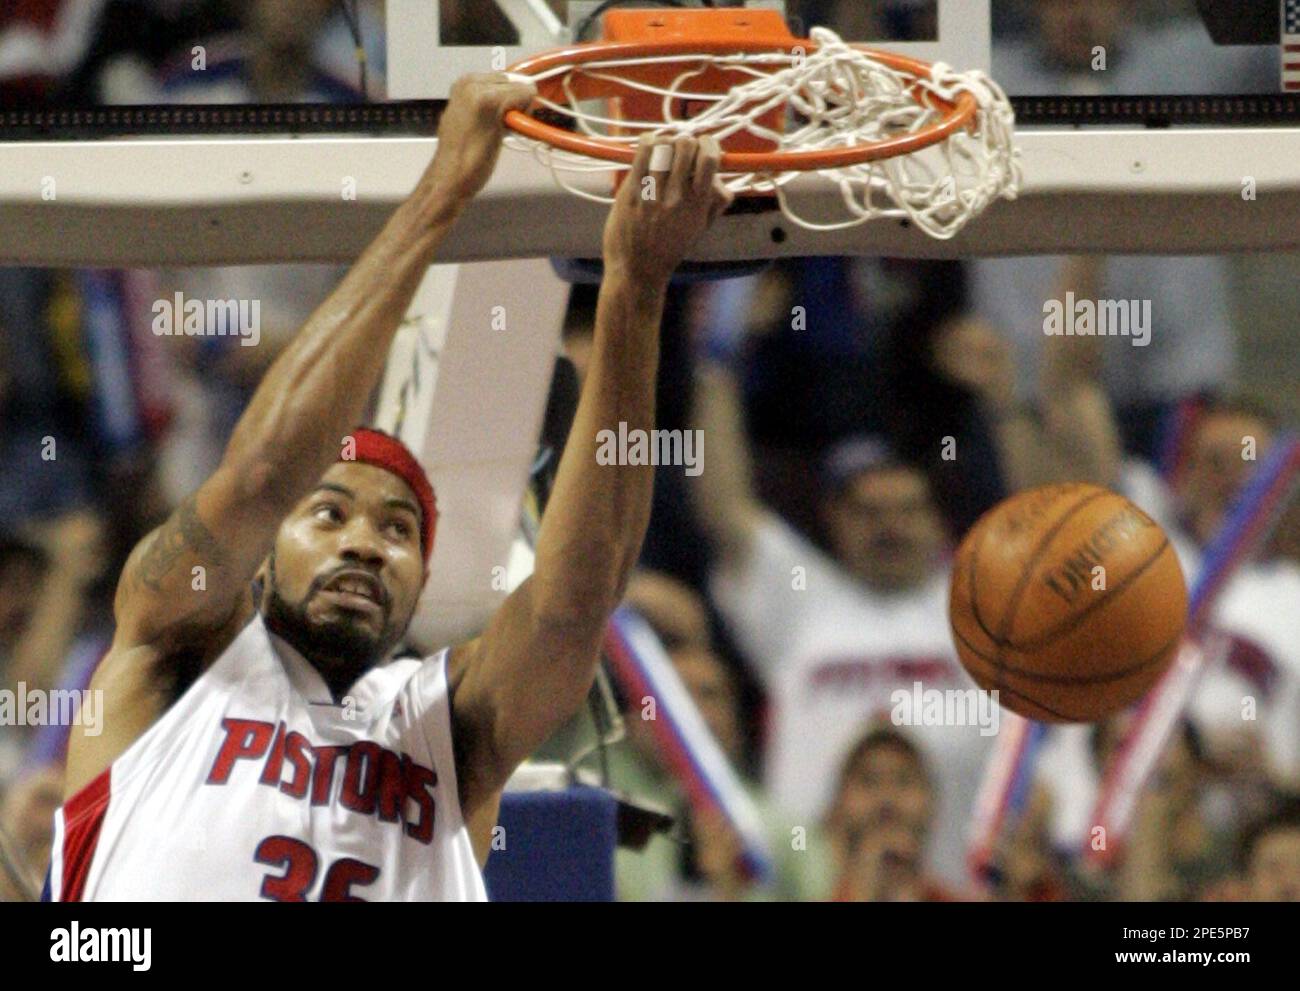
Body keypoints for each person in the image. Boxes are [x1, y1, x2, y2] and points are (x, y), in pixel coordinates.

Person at [50, 74, 734, 902]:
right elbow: (265, 474)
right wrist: (443, 191)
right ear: (260, 561)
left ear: (421, 581)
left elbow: (574, 599)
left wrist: (635, 284)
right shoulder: (176, 652)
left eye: (401, 529)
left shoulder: (449, 730)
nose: (365, 541)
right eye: (329, 512)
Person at [692, 354, 993, 887]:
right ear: (834, 519)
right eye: (870, 513)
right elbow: (725, 509)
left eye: (908, 510)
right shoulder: (804, 599)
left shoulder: (985, 609)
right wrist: (717, 361)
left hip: (952, 886)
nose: (891, 528)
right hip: (807, 889)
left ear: (938, 520)